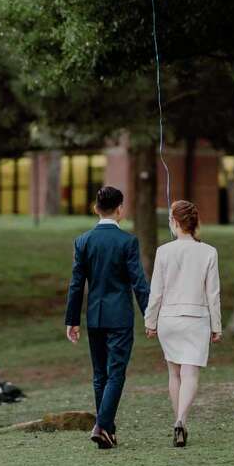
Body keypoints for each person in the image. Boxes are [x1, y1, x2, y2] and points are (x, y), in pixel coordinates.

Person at [64, 185, 151, 449]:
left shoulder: (83, 241)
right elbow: (138, 282)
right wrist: (150, 315)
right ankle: (101, 425)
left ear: (95, 209)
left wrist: (72, 320)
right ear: (120, 210)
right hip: (120, 317)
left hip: (95, 316)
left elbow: (76, 284)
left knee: (100, 374)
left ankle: (107, 433)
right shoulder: (128, 242)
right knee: (116, 374)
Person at [144, 200, 222, 448]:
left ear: (175, 222)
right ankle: (181, 420)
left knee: (174, 373)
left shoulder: (163, 251)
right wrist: (216, 325)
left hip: (169, 319)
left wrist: (150, 320)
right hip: (196, 319)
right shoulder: (209, 252)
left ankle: (179, 422)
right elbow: (213, 294)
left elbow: (156, 292)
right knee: (190, 373)